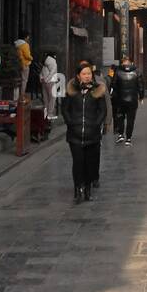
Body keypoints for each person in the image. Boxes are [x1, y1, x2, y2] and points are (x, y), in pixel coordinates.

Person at [60, 59, 107, 203]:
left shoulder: (97, 90)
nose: (87, 76)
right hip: (75, 134)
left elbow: (102, 110)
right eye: (84, 73)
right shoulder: (71, 91)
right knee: (78, 162)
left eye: (89, 73)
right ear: (78, 75)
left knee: (89, 164)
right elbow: (65, 109)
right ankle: (78, 188)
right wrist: (71, 122)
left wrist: (96, 124)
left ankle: (87, 189)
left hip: (92, 134)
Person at [110, 55, 143, 145]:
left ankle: (121, 134)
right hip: (132, 100)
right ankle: (128, 138)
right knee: (130, 119)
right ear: (131, 62)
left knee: (120, 117)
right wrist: (141, 96)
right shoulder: (137, 71)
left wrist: (115, 94)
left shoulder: (117, 71)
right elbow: (140, 86)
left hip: (120, 99)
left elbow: (113, 84)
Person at [40, 51, 59, 119]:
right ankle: (50, 114)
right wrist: (48, 79)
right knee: (53, 97)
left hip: (44, 82)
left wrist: (42, 78)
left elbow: (42, 71)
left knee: (46, 97)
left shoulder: (45, 60)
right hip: (50, 81)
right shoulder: (52, 61)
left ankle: (45, 114)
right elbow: (53, 71)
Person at [14, 32, 33, 98]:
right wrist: (31, 58)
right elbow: (27, 55)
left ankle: (17, 95)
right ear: (25, 37)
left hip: (18, 64)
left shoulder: (16, 44)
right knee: (24, 80)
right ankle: (22, 96)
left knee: (19, 80)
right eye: (28, 36)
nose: (28, 38)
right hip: (25, 64)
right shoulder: (25, 45)